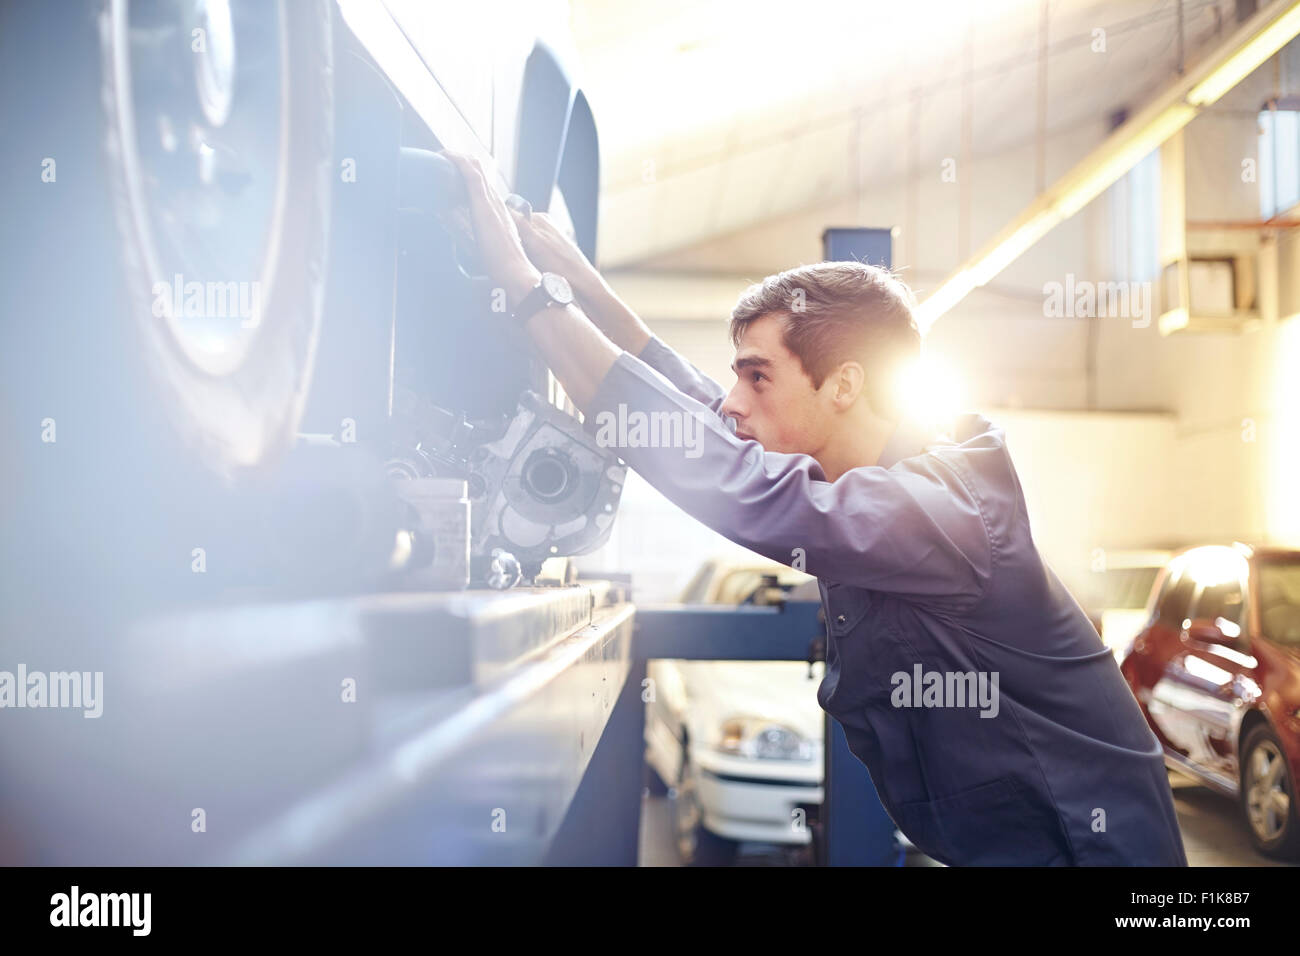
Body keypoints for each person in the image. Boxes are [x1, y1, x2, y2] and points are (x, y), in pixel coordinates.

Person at [441, 150, 1188, 866]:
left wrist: (524, 288)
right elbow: (709, 417)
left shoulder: (942, 508)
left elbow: (747, 488)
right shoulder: (866, 480)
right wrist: (581, 283)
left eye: (758, 377)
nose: (733, 400)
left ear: (844, 386)